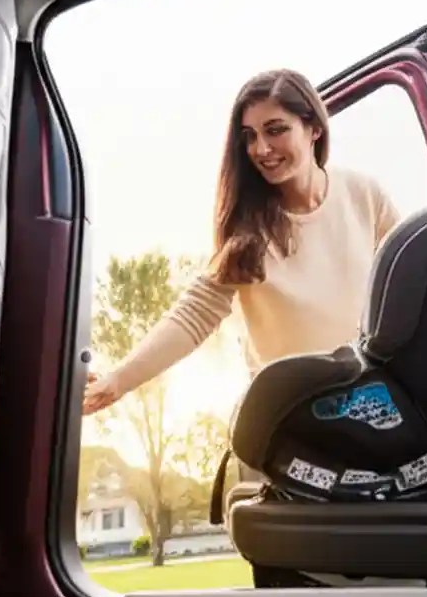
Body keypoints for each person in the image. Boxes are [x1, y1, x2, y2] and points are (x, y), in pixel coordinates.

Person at [82, 68, 402, 415]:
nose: (261, 148)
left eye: (276, 130)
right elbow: (193, 315)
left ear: (314, 128)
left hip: (371, 405)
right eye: (249, 136)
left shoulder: (365, 196)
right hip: (291, 418)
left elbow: (408, 286)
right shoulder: (247, 230)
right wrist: (118, 381)